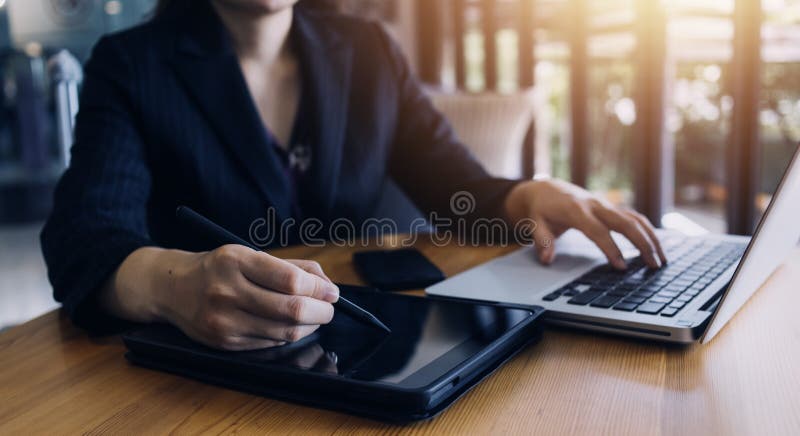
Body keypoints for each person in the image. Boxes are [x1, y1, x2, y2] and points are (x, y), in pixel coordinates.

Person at [41, 0, 666, 351]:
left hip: (354, 353)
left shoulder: (368, 51)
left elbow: (458, 193)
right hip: (202, 369)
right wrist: (173, 284)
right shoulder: (130, 65)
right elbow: (84, 241)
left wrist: (531, 192)